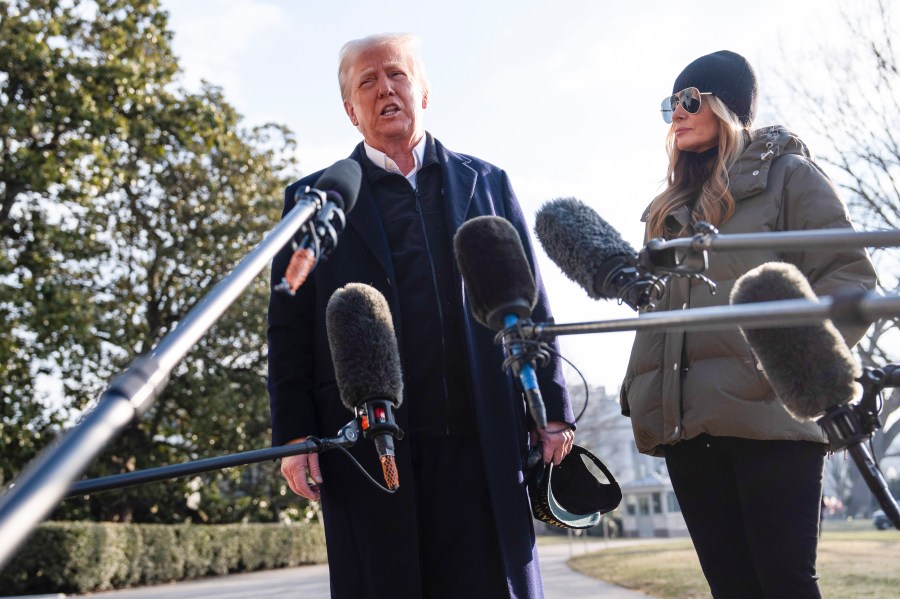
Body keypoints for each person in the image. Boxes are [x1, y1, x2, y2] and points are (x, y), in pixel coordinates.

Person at [267, 33, 574, 599]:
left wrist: (552, 409)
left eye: (397, 74)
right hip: (369, 449)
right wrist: (294, 434)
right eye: (367, 81)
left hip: (484, 444)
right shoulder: (315, 200)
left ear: (423, 91)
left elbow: (530, 306)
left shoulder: (488, 182)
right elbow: (287, 330)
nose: (385, 88)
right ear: (350, 110)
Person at [619, 50, 877, 598]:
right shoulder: (667, 209)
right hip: (687, 429)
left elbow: (849, 277)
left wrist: (792, 367)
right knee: (730, 589)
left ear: (725, 105)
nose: (677, 114)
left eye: (689, 100)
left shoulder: (790, 176)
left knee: (784, 586)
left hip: (771, 420)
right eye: (671, 104)